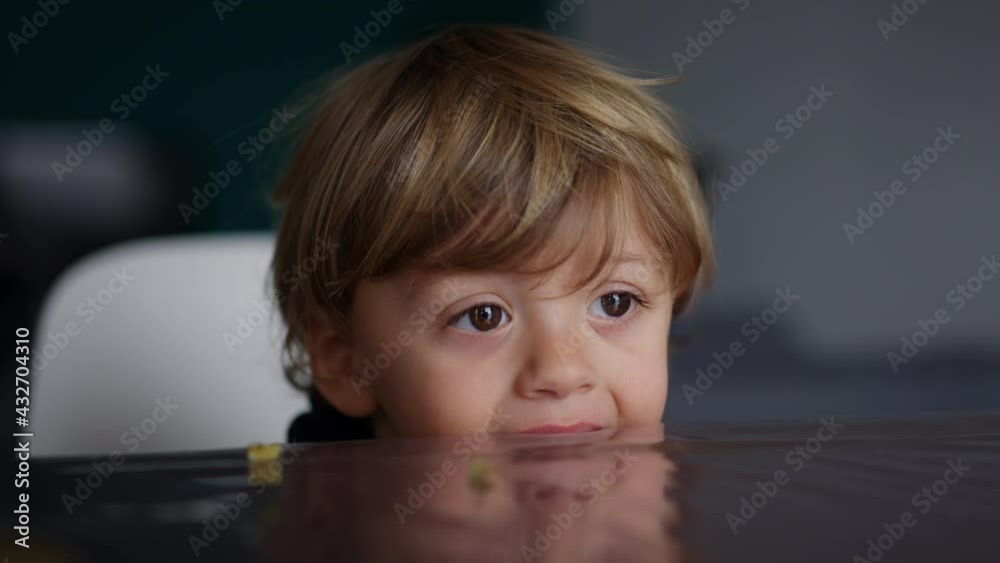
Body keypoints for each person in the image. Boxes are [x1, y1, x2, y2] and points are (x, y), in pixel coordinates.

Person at [270, 24, 713, 442]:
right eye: (482, 315)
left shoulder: (649, 508)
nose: (561, 372)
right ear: (346, 359)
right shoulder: (323, 518)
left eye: (615, 304)